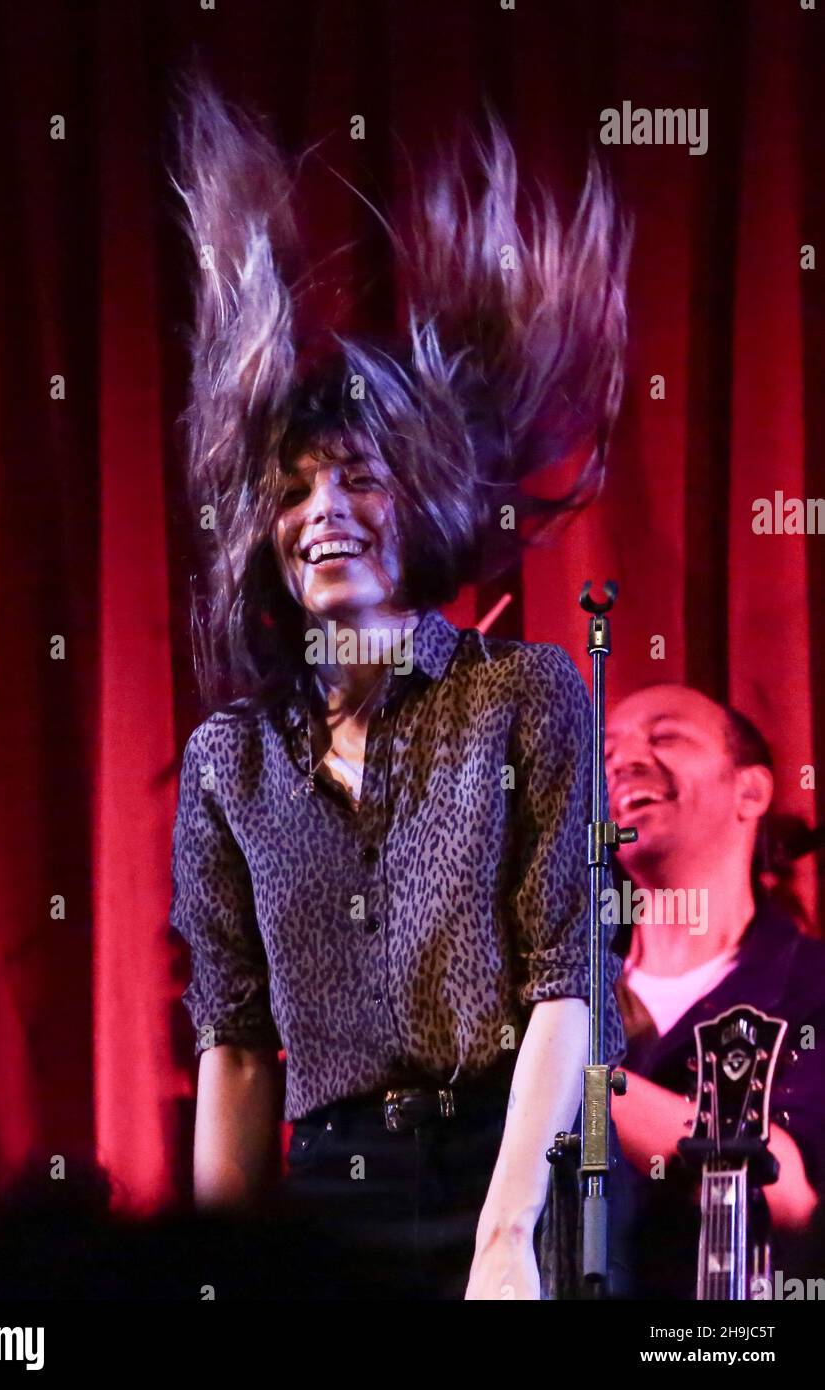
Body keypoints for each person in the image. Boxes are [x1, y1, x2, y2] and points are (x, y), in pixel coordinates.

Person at [166, 77, 631, 1300]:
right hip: (331, 1197)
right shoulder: (230, 762)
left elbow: (568, 981)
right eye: (294, 488)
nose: (324, 513)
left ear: (415, 508)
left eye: (357, 479)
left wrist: (505, 1233)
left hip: (513, 1164)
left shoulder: (524, 695)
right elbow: (236, 1045)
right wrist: (216, 1276)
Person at [605, 683, 825, 1299]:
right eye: (610, 750)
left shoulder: (810, 987)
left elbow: (785, 1186)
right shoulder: (563, 986)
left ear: (750, 791)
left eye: (666, 736)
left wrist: (561, 1073)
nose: (623, 760)